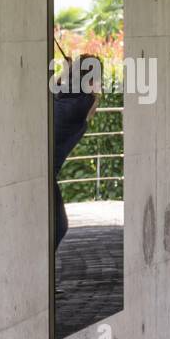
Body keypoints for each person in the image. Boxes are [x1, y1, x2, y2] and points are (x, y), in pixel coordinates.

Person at [52, 55, 100, 249]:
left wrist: (68, 71)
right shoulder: (82, 103)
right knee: (59, 227)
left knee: (58, 227)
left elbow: (56, 88)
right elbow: (94, 102)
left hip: (44, 170)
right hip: (44, 171)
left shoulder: (65, 98)